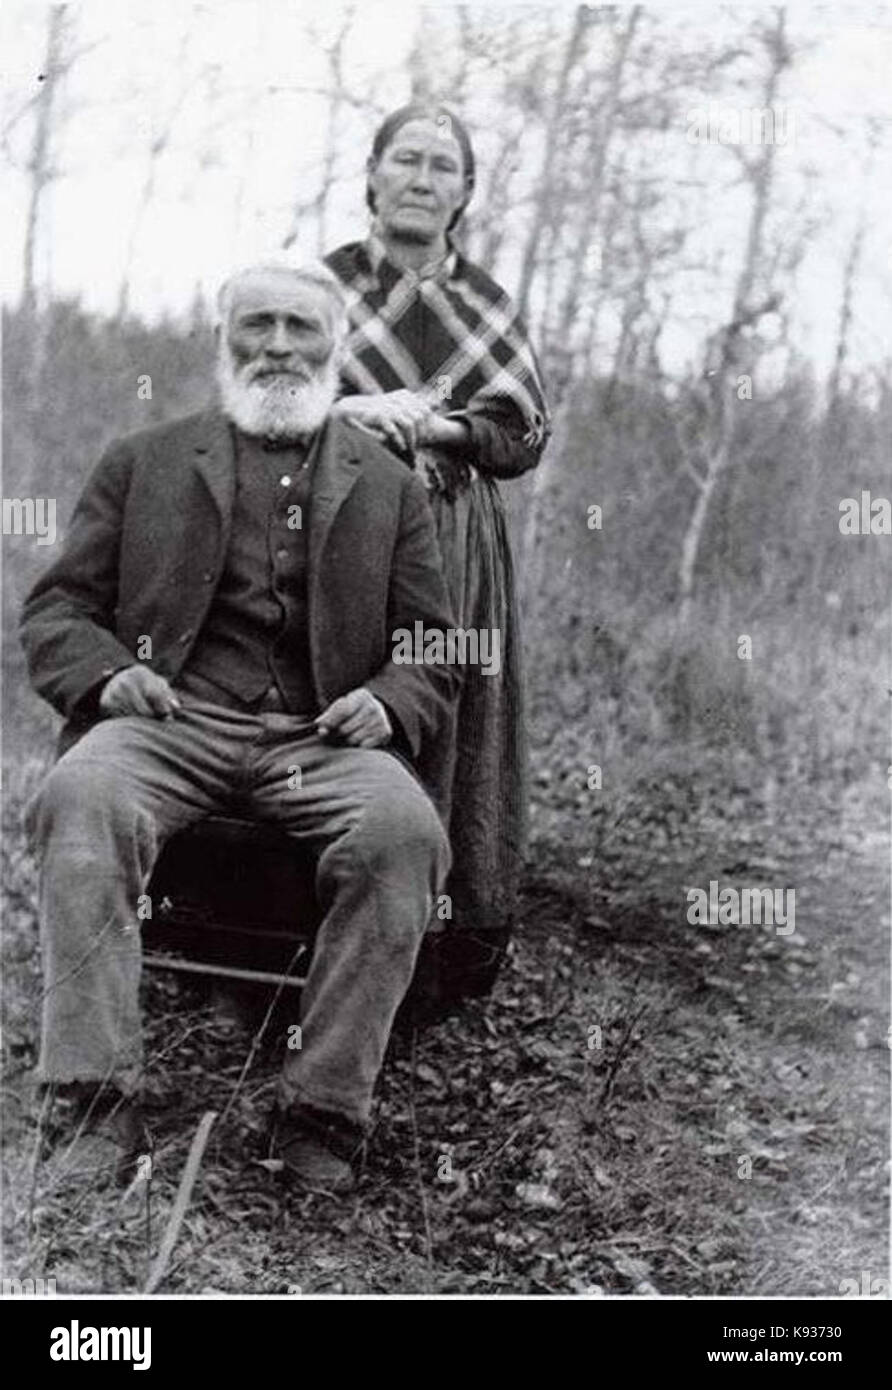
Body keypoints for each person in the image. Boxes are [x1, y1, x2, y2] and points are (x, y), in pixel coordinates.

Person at [19, 262, 461, 1193]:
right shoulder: (145, 459)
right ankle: (95, 1102)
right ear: (223, 341)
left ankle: (322, 1115)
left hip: (320, 739)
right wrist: (110, 674)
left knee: (404, 835)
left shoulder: (387, 486)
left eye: (301, 327)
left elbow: (434, 644)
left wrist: (388, 698)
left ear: (335, 347)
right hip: (172, 721)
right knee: (80, 797)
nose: (278, 346)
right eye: (256, 325)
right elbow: (58, 610)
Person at [325, 104, 550, 1005]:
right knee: (337, 697)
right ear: (372, 173)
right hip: (333, 528)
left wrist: (444, 423)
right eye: (405, 160)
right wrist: (348, 413)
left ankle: (434, 951)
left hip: (452, 539)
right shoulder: (321, 286)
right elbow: (260, 395)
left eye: (443, 167)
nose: (422, 178)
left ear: (464, 193)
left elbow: (524, 431)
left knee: (440, 705)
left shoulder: (487, 303)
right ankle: (300, 927)